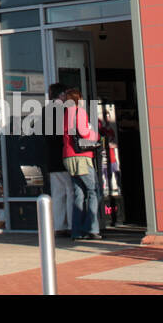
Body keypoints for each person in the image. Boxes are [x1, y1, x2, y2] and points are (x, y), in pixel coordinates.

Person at [62, 89, 101, 241]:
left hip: (68, 156)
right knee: (93, 191)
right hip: (81, 157)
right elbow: (84, 132)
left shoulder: (66, 114)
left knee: (79, 194)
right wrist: (95, 135)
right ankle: (92, 228)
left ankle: (77, 230)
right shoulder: (79, 112)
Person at [45, 84, 72, 237]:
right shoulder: (65, 111)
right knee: (70, 192)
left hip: (51, 159)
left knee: (57, 194)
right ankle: (71, 224)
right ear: (61, 94)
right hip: (64, 156)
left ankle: (58, 226)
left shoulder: (45, 111)